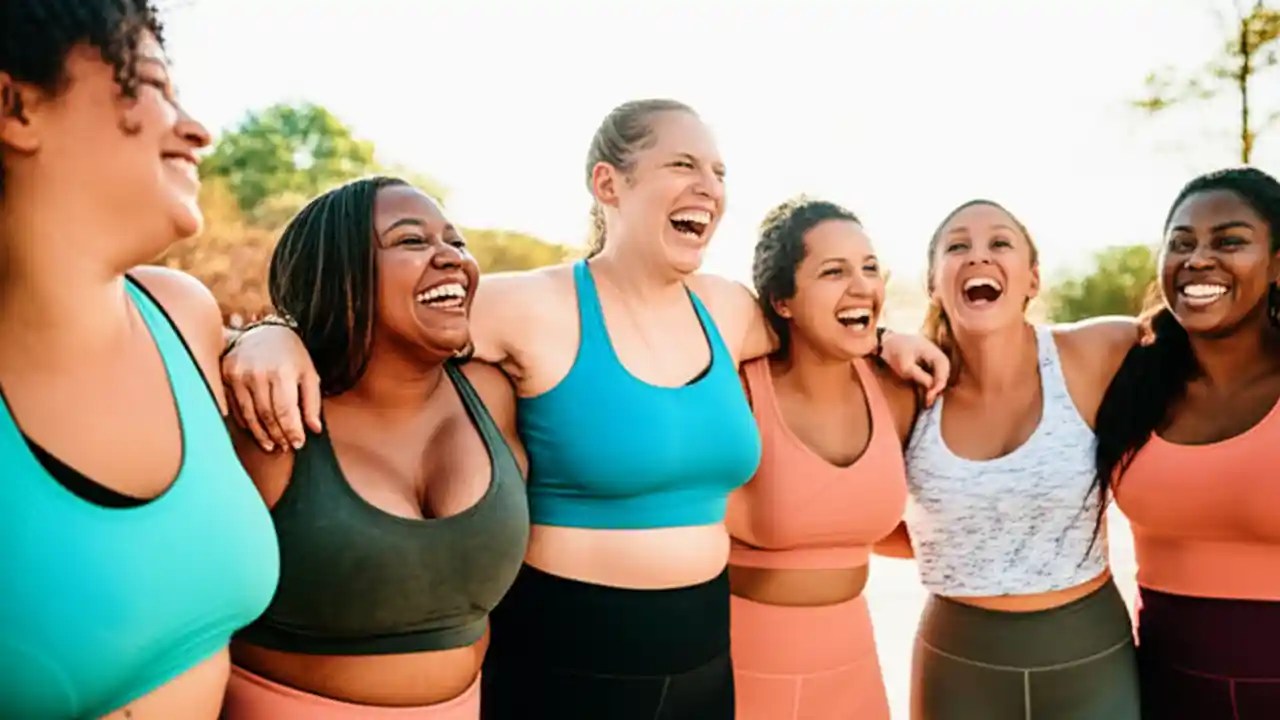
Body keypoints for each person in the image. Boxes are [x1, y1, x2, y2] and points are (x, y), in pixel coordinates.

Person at [220, 99, 950, 719]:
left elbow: (814, 323)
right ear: (609, 183)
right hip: (565, 657)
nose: (710, 185)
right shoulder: (525, 305)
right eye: (682, 165)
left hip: (704, 655)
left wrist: (888, 338)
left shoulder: (727, 310)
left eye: (719, 172)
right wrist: (270, 334)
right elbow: (377, 320)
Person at [0, 3, 279, 718]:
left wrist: (280, 335)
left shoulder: (183, 316)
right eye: (150, 86)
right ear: (14, 106)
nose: (197, 130)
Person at [221, 177, 529, 719]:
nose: (451, 259)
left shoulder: (491, 394)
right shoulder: (273, 418)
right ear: (338, 276)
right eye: (412, 241)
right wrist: (258, 334)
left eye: (455, 242)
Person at [886, 199, 1144, 719]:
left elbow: (1207, 331)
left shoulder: (1096, 352)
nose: (978, 256)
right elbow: (849, 514)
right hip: (957, 666)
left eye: (1000, 243)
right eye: (957, 246)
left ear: (1032, 279)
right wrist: (880, 338)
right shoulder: (905, 389)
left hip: (1089, 660)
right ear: (933, 282)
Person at [1094, 167, 1280, 720]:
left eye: (1230, 241)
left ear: (1276, 264)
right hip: (1162, 692)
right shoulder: (1127, 373)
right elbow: (998, 347)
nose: (1198, 259)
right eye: (1181, 243)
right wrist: (888, 342)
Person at [726, 197, 918, 720]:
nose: (861, 287)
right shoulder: (736, 394)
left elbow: (922, 531)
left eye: (870, 268)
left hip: (854, 671)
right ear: (782, 301)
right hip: (742, 670)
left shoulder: (899, 392)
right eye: (834, 271)